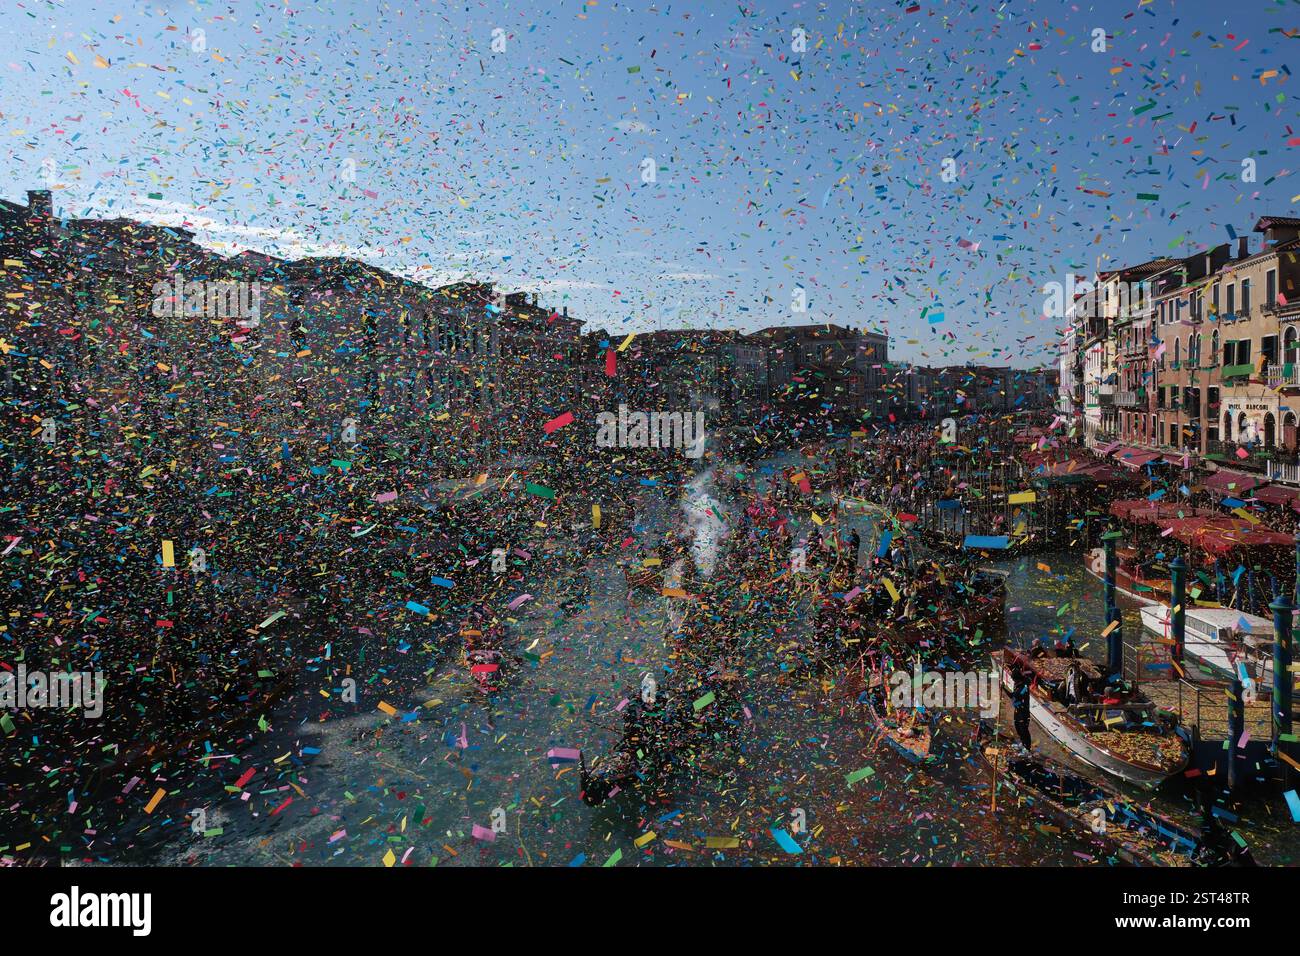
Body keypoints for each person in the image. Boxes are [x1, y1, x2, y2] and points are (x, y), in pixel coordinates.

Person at [1011, 669, 1033, 751]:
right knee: (1018, 729)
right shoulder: (1017, 684)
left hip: (1023, 713)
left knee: (1024, 731)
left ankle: (1027, 748)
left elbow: (1016, 695)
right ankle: (1023, 744)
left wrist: (1004, 689)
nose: (1013, 681)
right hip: (1017, 711)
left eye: (1014, 679)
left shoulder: (1025, 687)